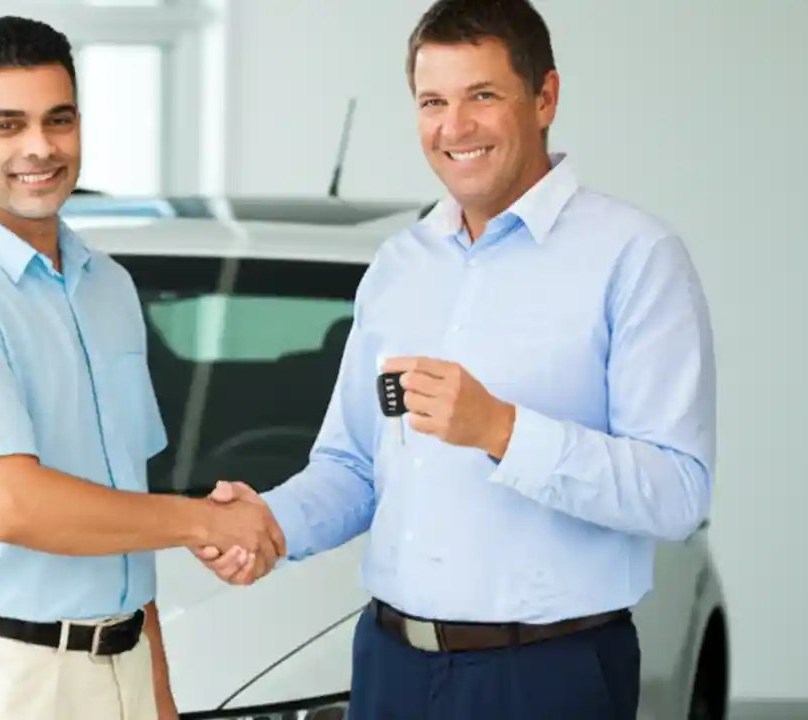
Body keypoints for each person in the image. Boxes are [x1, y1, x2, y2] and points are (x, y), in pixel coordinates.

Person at [197, 0, 716, 717]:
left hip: (545, 675)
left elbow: (678, 492)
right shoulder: (398, 266)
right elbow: (353, 465)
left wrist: (502, 430)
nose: (454, 127)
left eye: (482, 96)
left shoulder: (634, 258)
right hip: (387, 669)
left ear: (545, 98)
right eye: (432, 101)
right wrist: (268, 523)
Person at [0, 16, 283, 720]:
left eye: (57, 120)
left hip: (119, 663)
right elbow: (11, 504)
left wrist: (157, 696)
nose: (40, 147)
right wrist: (202, 523)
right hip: (5, 683)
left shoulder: (108, 288)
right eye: (7, 125)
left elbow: (123, 504)